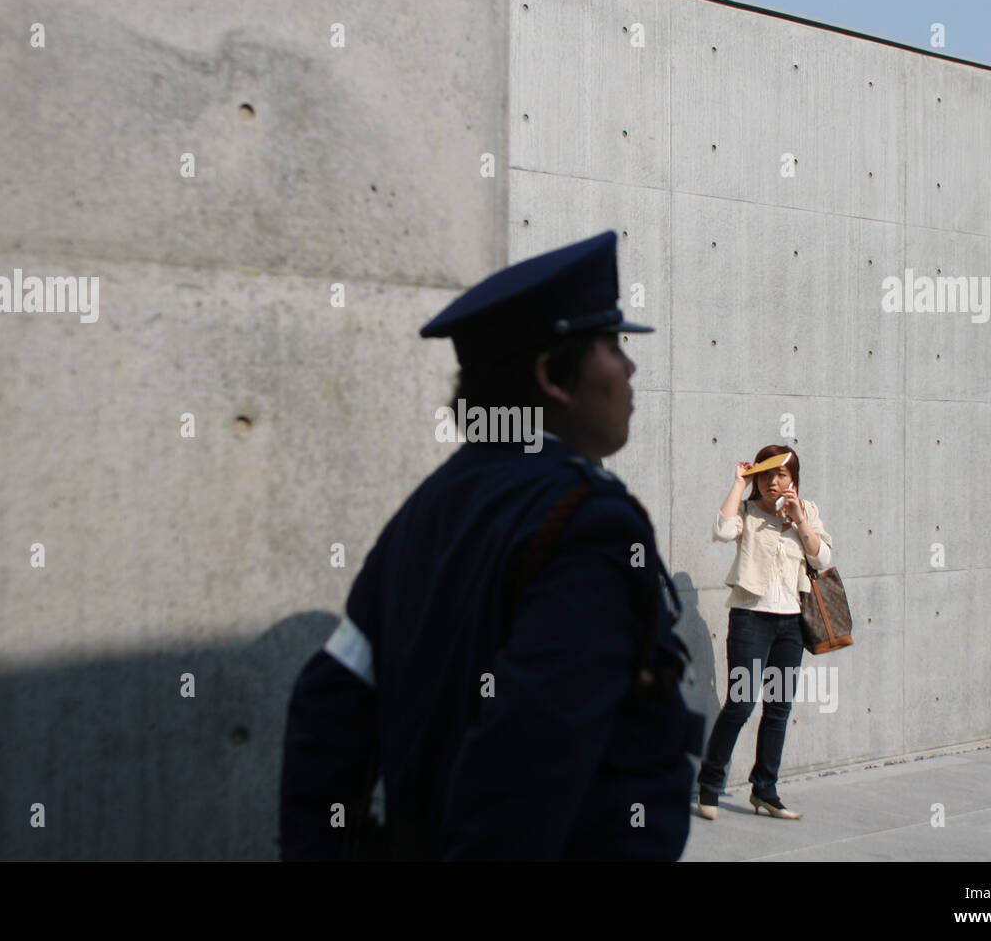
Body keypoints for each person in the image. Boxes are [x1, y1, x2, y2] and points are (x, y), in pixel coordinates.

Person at [280, 231, 700, 861]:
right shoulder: (591, 521)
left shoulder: (424, 512)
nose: (631, 367)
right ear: (553, 376)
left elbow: (329, 702)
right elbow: (531, 749)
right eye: (613, 344)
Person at [695, 445, 833, 821]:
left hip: (791, 625)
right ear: (757, 478)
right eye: (767, 475)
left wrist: (800, 521)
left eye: (782, 475)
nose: (774, 482)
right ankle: (709, 785)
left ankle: (765, 791)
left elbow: (823, 559)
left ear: (794, 480)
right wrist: (738, 484)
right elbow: (721, 531)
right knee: (740, 705)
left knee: (778, 709)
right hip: (750, 621)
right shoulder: (747, 511)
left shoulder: (809, 512)